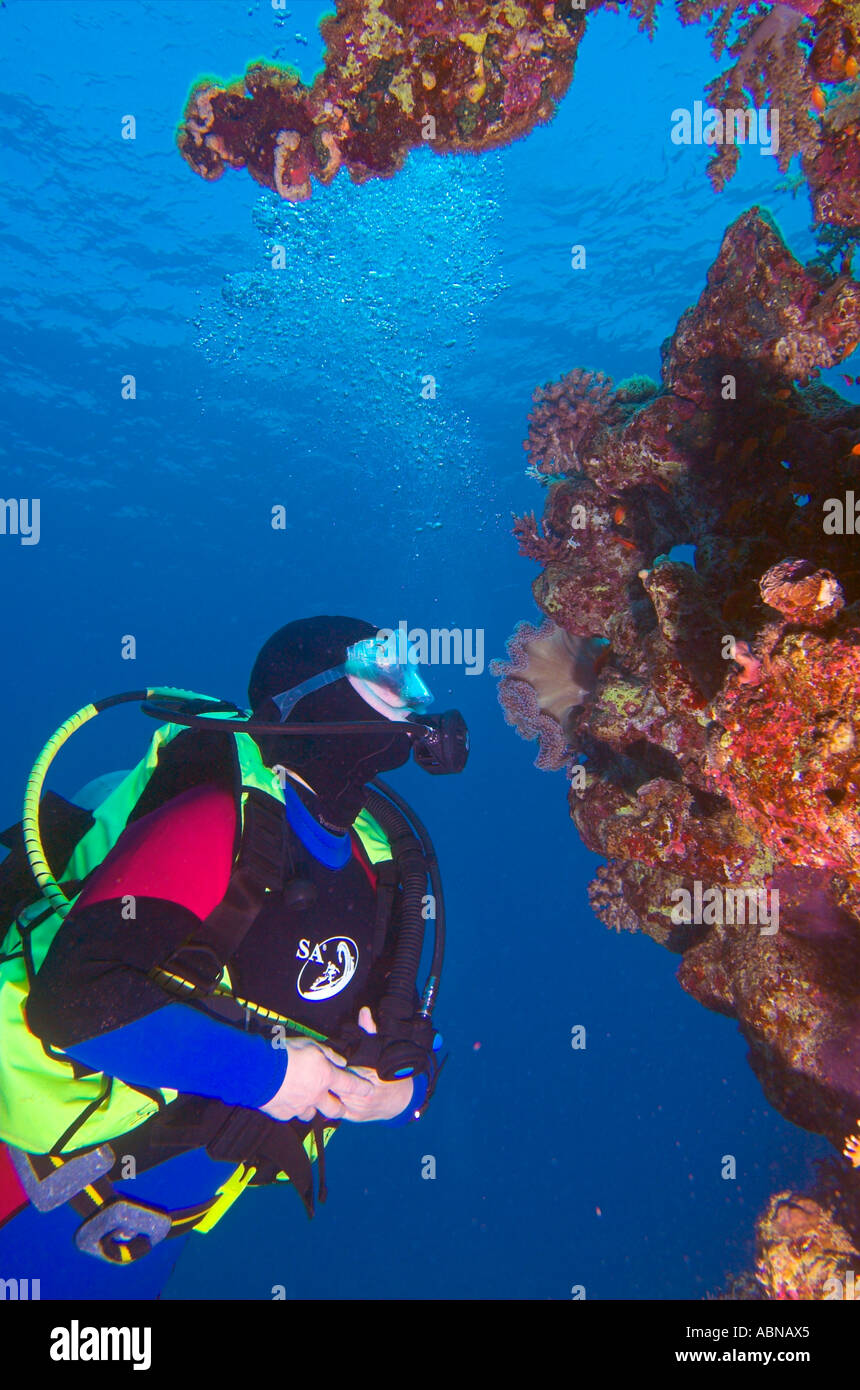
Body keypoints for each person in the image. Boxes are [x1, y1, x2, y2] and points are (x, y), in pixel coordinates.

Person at [0, 615, 468, 1297]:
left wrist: (400, 1095)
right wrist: (269, 1074)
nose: (416, 693)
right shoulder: (217, 822)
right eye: (387, 670)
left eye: (414, 673)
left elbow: (411, 1036)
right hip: (26, 1190)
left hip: (143, 1248)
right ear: (314, 693)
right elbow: (73, 1003)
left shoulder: (383, 864)